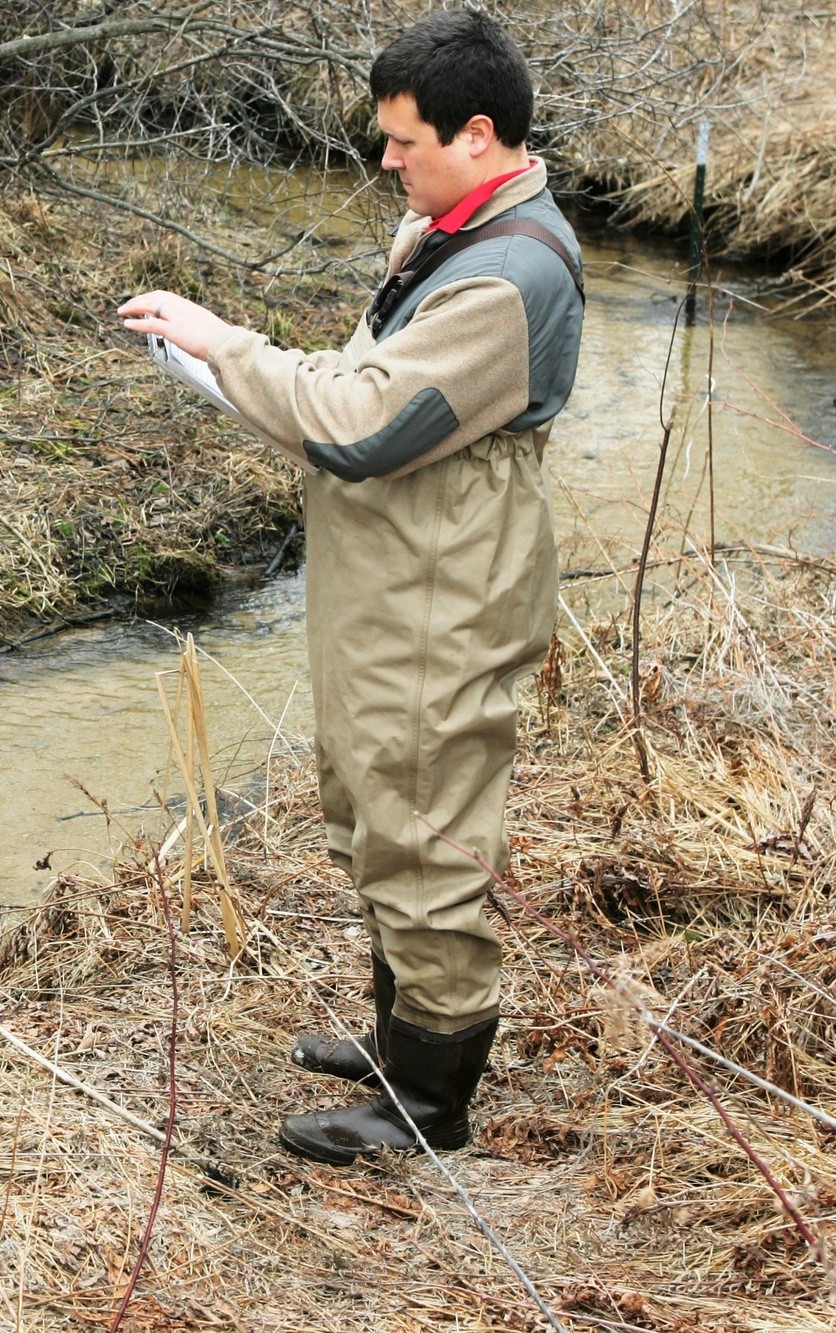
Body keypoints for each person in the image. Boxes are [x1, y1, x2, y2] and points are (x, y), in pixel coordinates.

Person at [118, 9, 583, 1165]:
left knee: (421, 827)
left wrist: (224, 343)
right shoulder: (445, 231)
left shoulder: (506, 275)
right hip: (396, 576)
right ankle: (397, 1039)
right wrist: (219, 365)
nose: (383, 160)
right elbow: (363, 381)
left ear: (477, 135)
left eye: (401, 141)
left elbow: (360, 421)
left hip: (444, 589)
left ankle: (425, 1106)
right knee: (371, 803)